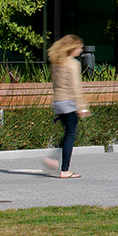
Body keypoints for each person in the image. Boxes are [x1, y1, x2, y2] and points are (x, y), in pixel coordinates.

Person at [45, 34, 85, 177]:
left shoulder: (56, 62)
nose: (80, 50)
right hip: (69, 103)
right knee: (70, 136)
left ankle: (52, 159)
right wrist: (82, 106)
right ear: (72, 48)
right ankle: (64, 170)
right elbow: (76, 86)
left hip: (58, 102)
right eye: (79, 47)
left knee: (67, 134)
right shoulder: (73, 64)